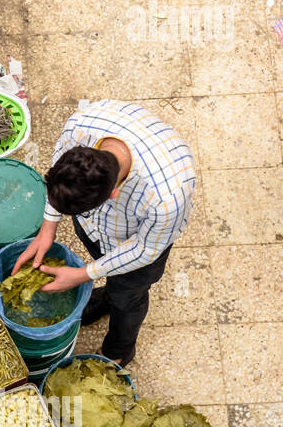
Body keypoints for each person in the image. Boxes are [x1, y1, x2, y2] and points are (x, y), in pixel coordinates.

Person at [12, 100, 196, 365]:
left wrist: (82, 274)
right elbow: (57, 174)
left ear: (113, 196)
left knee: (129, 295)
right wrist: (47, 228)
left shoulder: (167, 197)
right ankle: (106, 298)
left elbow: (144, 249)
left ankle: (119, 350)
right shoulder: (79, 127)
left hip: (139, 245)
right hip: (101, 231)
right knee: (110, 278)